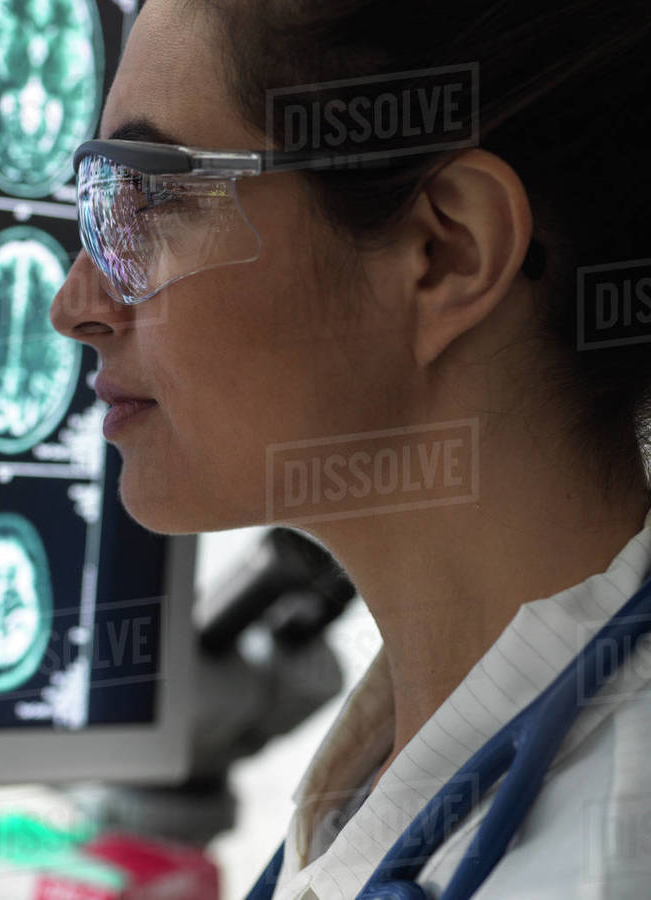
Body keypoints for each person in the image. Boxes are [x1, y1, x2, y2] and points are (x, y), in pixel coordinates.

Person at [49, 0, 651, 896]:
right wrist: (163, 802)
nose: (77, 305)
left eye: (149, 199)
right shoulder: (436, 754)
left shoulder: (596, 860)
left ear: (446, 252)